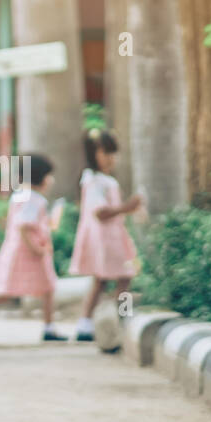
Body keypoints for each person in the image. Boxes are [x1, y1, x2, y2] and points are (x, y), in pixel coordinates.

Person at [0, 154, 67, 342]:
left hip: (16, 251)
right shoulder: (35, 199)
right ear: (41, 177)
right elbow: (24, 225)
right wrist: (36, 248)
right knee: (46, 287)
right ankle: (49, 328)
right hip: (31, 253)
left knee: (9, 291)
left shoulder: (19, 196)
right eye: (49, 175)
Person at [69, 128, 143, 345]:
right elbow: (100, 212)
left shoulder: (103, 180)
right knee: (124, 276)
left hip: (110, 236)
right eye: (106, 153)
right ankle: (123, 318)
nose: (111, 158)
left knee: (103, 280)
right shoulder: (93, 180)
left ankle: (87, 322)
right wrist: (127, 208)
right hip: (105, 237)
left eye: (113, 153)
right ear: (93, 154)